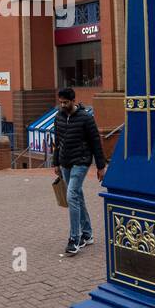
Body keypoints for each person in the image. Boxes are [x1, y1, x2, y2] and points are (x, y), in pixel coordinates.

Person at [52, 87, 106, 256]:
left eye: (65, 102)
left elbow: (96, 142)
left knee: (72, 195)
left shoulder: (86, 118)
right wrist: (56, 163)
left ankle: (74, 239)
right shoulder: (58, 117)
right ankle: (87, 234)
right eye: (60, 102)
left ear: (73, 101)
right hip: (65, 162)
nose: (62, 105)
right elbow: (58, 141)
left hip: (81, 161)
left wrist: (100, 166)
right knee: (77, 196)